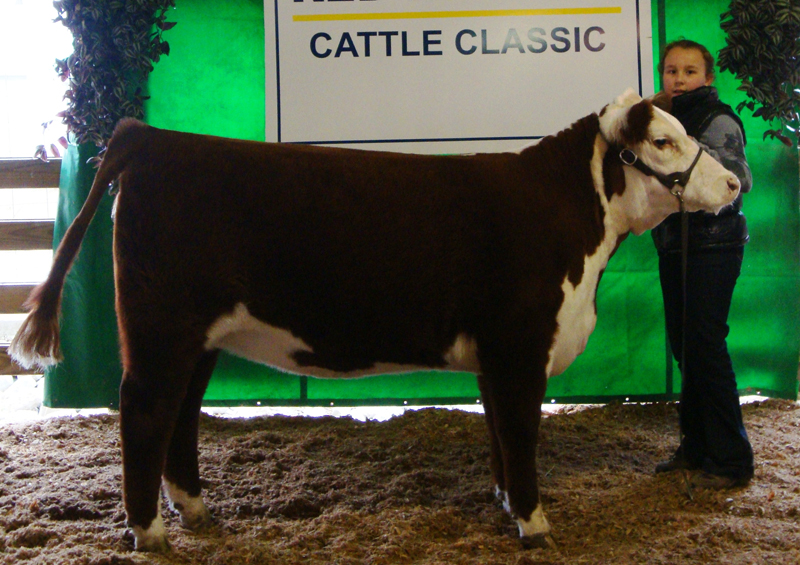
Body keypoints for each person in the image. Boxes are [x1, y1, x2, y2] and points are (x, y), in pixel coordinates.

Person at [651, 39, 754, 490]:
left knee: (706, 344)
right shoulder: (666, 121)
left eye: (689, 72)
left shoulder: (719, 119)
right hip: (675, 245)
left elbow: (738, 179)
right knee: (685, 347)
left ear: (708, 78)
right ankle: (695, 447)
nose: (679, 79)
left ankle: (732, 459)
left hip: (714, 245)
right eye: (671, 71)